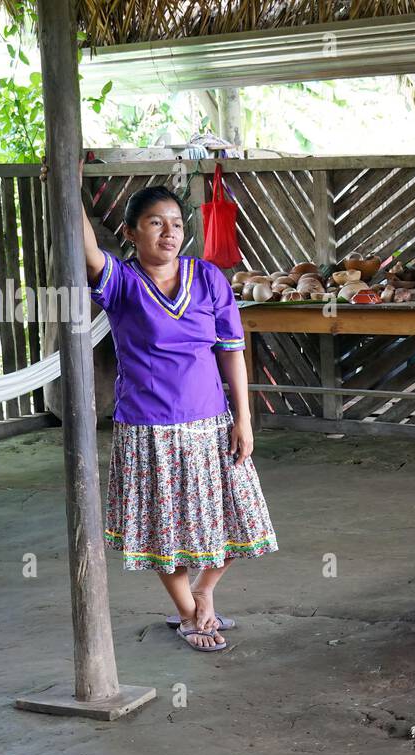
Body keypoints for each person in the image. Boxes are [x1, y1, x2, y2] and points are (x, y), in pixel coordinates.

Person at [78, 174, 277, 651]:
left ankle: (204, 592)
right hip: (149, 427)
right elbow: (85, 251)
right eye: (154, 223)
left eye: (175, 223)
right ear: (130, 232)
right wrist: (64, 192)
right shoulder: (121, 283)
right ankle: (189, 614)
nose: (169, 232)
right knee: (165, 528)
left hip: (211, 422)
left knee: (240, 515)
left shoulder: (208, 278)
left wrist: (243, 418)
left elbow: (231, 349)